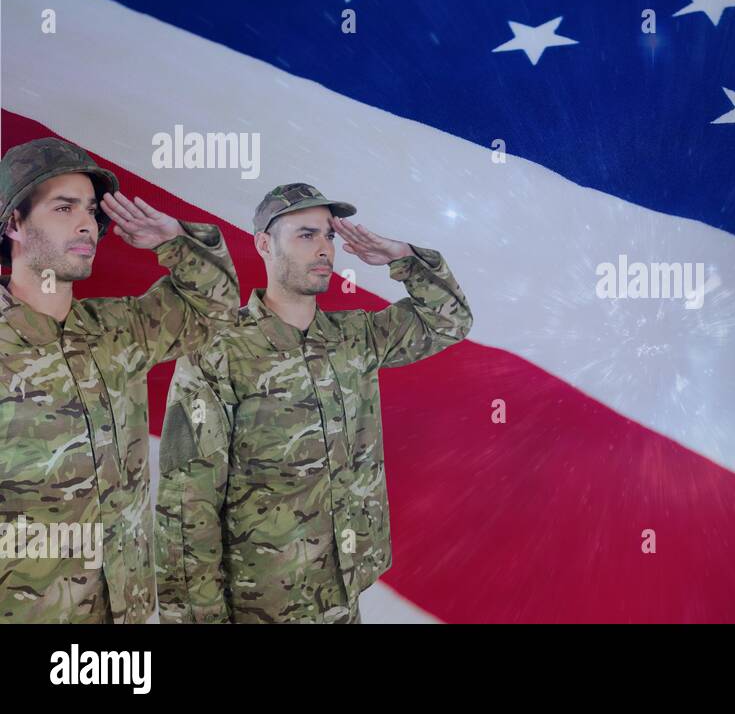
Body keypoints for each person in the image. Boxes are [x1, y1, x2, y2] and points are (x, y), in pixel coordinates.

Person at [155, 182, 472, 623]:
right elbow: (187, 502)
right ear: (264, 244)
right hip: (262, 603)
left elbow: (450, 321)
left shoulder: (354, 337)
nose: (325, 249)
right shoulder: (218, 350)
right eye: (306, 235)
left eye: (329, 236)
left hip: (342, 593)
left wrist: (402, 258)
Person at [0, 137, 240, 623]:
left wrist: (176, 241)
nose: (86, 224)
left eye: (91, 210)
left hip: (125, 611)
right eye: (64, 208)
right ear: (14, 223)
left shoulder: (117, 331)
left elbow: (215, 308)